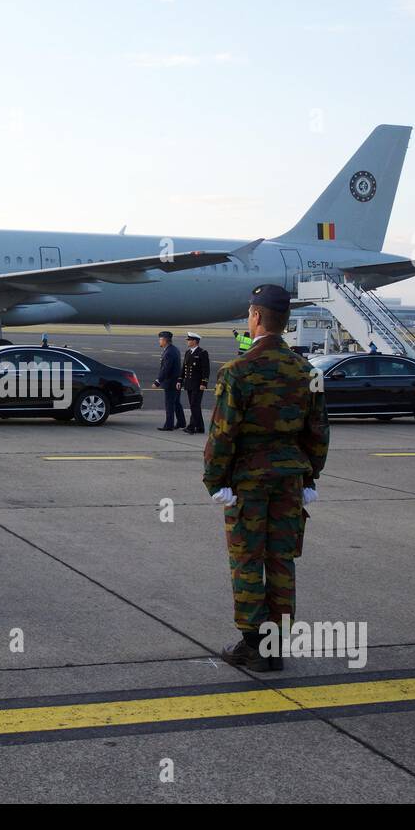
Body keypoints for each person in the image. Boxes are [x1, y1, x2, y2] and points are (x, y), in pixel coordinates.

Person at [203, 284, 330, 672]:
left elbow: (223, 433)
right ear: (286, 320)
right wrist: (310, 479)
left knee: (246, 560)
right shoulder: (307, 370)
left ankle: (253, 643)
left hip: (248, 482)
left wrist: (215, 480)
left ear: (256, 316)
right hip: (290, 480)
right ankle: (275, 646)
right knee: (281, 560)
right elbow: (318, 432)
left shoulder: (237, 371)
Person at [153, 331, 185, 431]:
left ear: (165, 340)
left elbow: (166, 369)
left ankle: (169, 425)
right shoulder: (174, 349)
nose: (159, 341)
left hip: (170, 382)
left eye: (160, 340)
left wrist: (158, 381)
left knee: (169, 404)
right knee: (176, 403)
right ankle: (181, 422)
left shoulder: (169, 352)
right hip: (176, 381)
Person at [180, 332, 210, 434]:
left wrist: (204, 383)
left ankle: (192, 427)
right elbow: (184, 368)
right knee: (195, 405)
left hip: (198, 384)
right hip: (189, 383)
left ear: (195, 341)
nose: (187, 342)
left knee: (194, 405)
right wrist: (180, 380)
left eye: (189, 340)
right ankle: (200, 427)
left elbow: (206, 369)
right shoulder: (188, 353)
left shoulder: (202, 353)